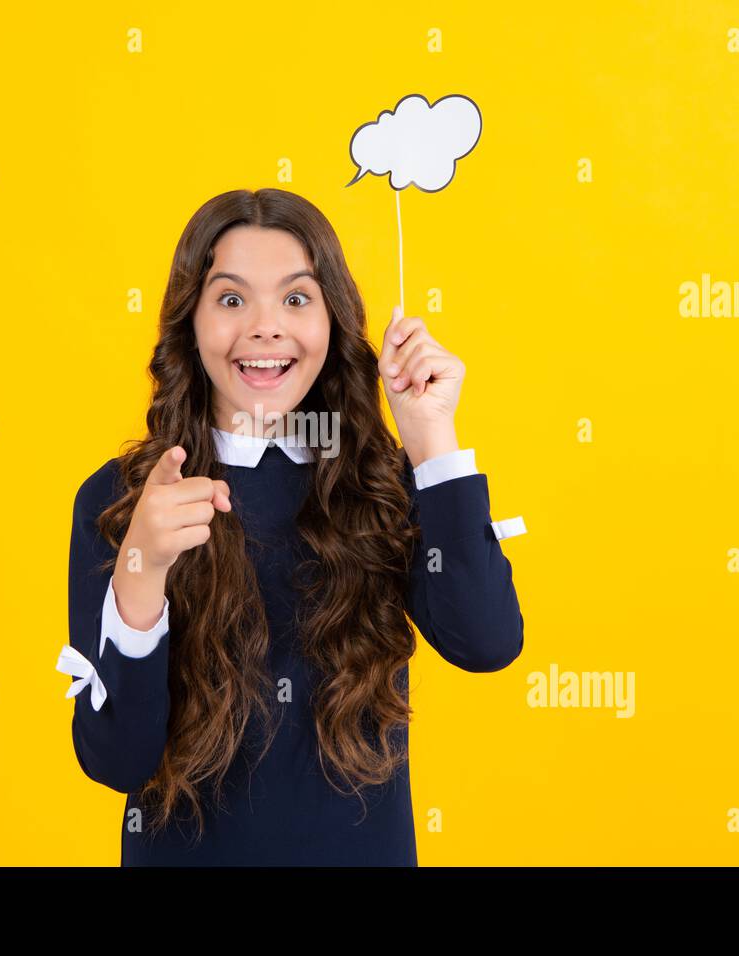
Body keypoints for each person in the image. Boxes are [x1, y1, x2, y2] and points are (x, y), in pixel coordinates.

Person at [56, 187, 524, 865]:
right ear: (190, 321)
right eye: (231, 298)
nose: (265, 326)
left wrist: (431, 441)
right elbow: (117, 761)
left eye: (296, 298)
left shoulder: (382, 481)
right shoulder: (123, 499)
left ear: (334, 320)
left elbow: (486, 641)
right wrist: (142, 567)